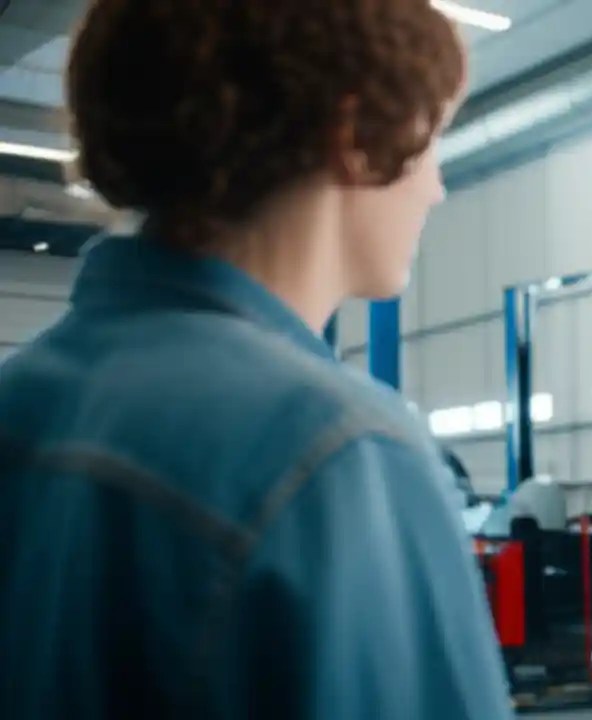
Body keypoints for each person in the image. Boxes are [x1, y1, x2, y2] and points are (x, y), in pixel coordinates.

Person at [0, 2, 513, 719]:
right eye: (432, 143)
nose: (436, 187)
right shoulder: (336, 452)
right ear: (356, 135)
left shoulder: (20, 399)